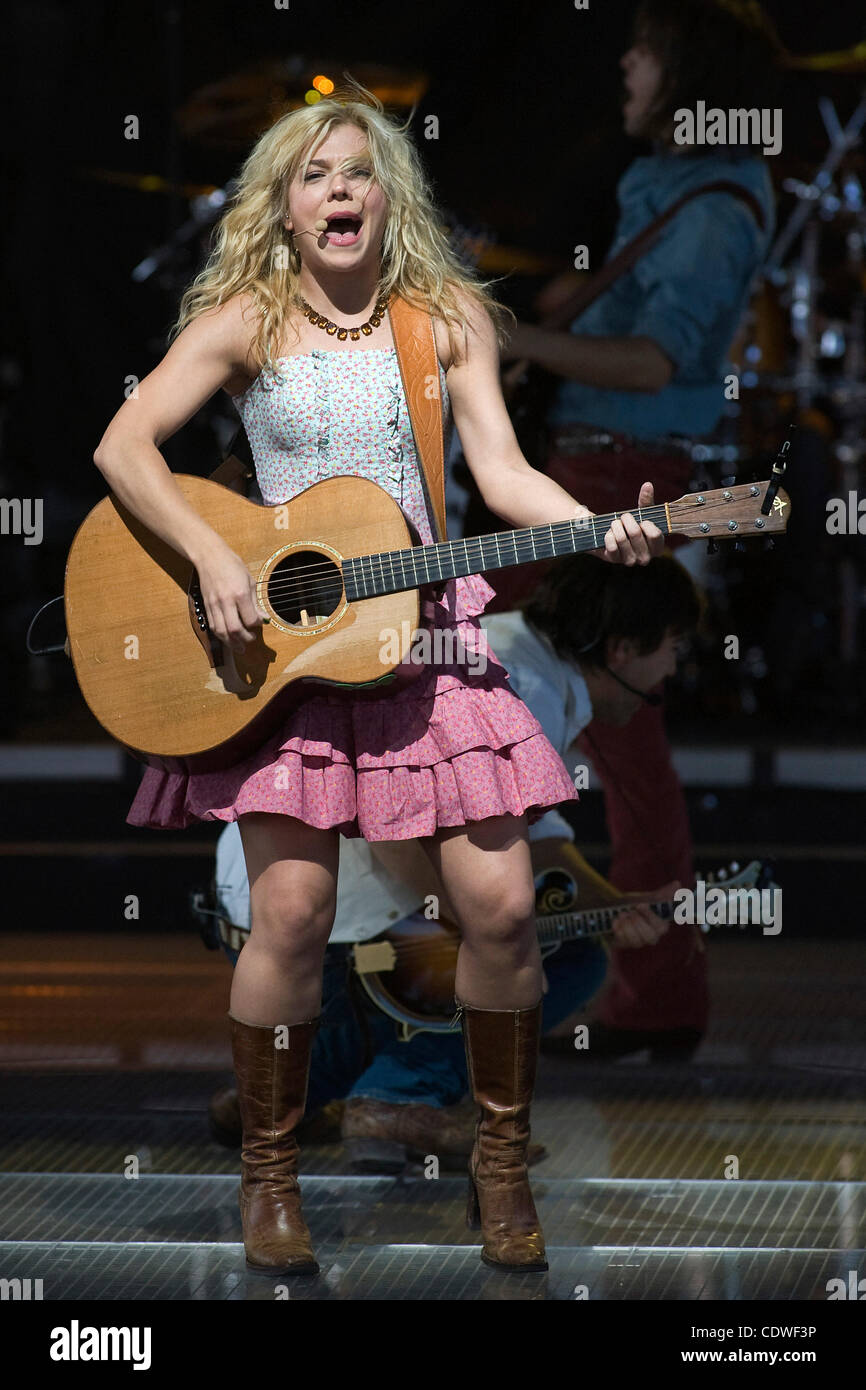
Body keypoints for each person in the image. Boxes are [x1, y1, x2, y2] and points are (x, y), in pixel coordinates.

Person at [93, 82, 664, 1277]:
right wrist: (209, 553)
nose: (338, 189)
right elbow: (121, 445)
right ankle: (269, 1177)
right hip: (291, 660)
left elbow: (501, 475)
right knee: (291, 919)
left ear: (385, 192)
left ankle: (498, 1165)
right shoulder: (244, 320)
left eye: (357, 170)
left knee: (503, 908)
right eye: (314, 176)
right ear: (285, 208)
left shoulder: (441, 315)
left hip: (426, 647)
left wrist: (590, 523)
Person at [474, 0, 781, 1056]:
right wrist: (533, 324)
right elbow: (613, 312)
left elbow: (656, 362)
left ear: (691, 75)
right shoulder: (672, 193)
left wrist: (524, 342)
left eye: (644, 50)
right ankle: (633, 982)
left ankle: (643, 987)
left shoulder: (711, 206)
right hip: (593, 469)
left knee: (565, 714)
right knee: (541, 708)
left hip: (618, 480)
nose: (624, 61)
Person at [207, 553, 701, 1167]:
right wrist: (480, 937)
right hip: (318, 911)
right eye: (674, 647)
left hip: (263, 889)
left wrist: (610, 908)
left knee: (525, 944)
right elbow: (390, 833)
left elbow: (535, 840)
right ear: (624, 649)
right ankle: (391, 1098)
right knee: (548, 959)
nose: (675, 668)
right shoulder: (526, 685)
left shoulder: (515, 651)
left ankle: (289, 1093)